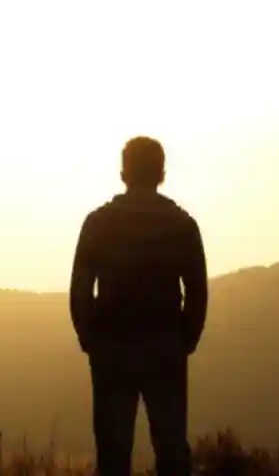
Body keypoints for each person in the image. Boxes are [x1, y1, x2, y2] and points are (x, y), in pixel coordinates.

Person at [70, 136, 208, 476]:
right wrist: (184, 340)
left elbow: (80, 290)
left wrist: (91, 340)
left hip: (112, 349)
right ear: (162, 173)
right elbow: (197, 292)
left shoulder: (98, 224)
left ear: (123, 173)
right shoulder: (182, 226)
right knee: (172, 451)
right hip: (165, 347)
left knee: (113, 455)